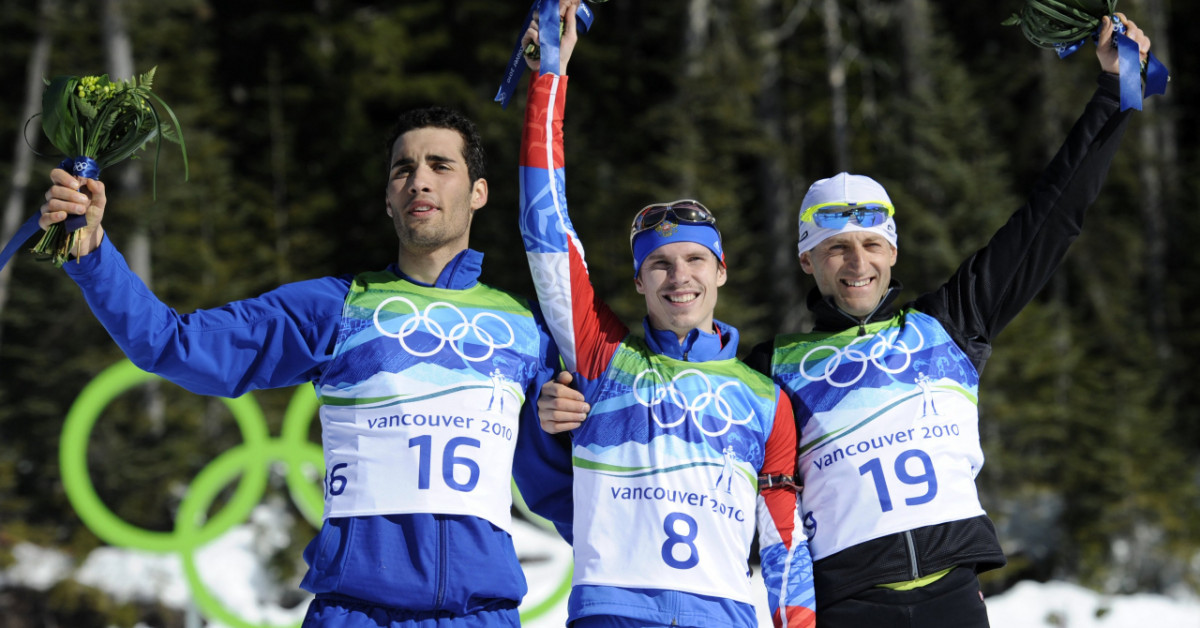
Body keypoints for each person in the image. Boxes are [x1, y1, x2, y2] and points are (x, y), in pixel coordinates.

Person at [538, 13, 1154, 628]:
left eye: (871, 244)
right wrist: (565, 413)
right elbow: (672, 432)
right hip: (845, 604)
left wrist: (1112, 95)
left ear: (893, 251)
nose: (856, 263)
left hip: (953, 596)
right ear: (808, 259)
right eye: (836, 247)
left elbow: (1052, 217)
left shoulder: (949, 326)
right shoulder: (770, 368)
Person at [40, 106, 564, 627]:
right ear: (387, 198)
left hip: (481, 615)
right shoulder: (337, 306)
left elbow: (565, 491)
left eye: (440, 166)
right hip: (355, 614)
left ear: (479, 192)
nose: (418, 181)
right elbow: (175, 344)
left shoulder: (525, 331)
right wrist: (92, 251)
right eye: (403, 169)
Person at [515, 3, 815, 627]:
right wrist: (552, 75)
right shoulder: (602, 358)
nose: (680, 277)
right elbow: (545, 228)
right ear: (639, 280)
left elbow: (786, 542)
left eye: (695, 261)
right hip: (614, 615)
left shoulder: (766, 401)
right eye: (661, 265)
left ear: (721, 271)